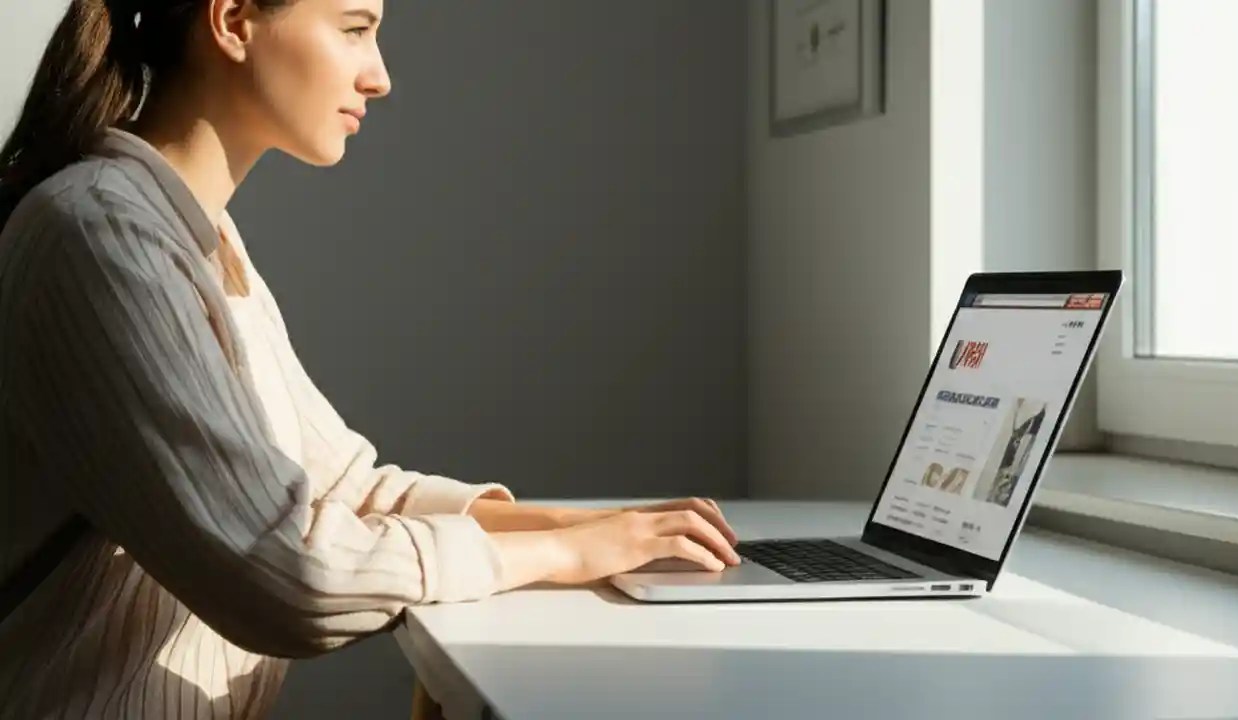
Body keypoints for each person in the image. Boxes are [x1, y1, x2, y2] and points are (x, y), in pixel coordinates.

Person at [0, 1, 740, 717]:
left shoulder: (194, 237)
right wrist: (564, 556)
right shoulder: (101, 238)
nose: (380, 76)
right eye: (355, 29)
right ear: (232, 22)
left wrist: (591, 529)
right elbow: (287, 573)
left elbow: (345, 490)